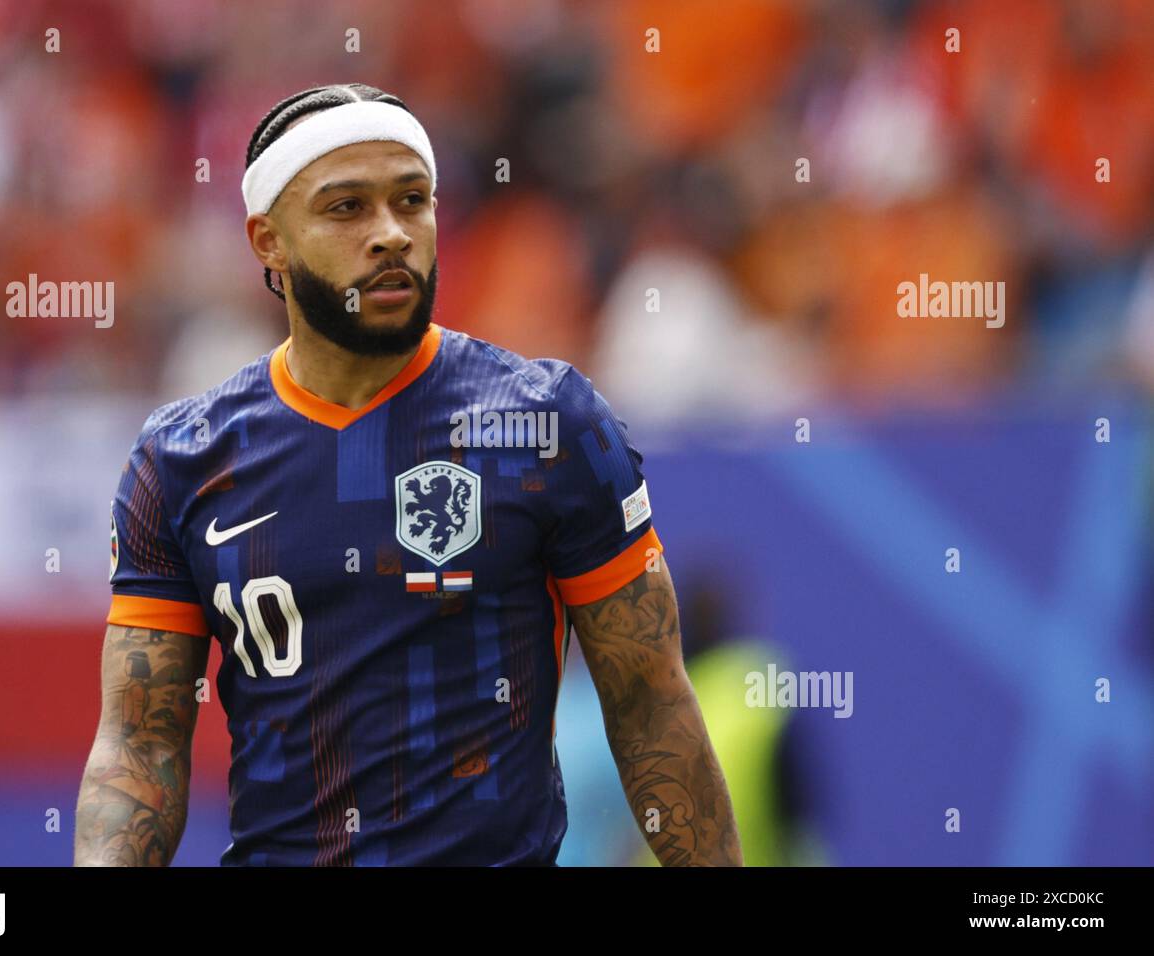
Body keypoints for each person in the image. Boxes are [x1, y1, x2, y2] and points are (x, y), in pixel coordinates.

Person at [73, 82, 742, 867]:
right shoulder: (183, 460)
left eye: (412, 200)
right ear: (268, 242)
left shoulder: (546, 423)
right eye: (347, 208)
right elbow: (141, 746)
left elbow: (650, 706)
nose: (391, 234)